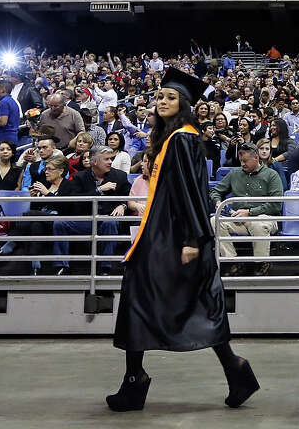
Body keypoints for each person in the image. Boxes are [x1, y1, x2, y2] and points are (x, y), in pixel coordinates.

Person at [110, 68, 259, 412]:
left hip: (175, 235)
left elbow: (191, 191)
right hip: (166, 231)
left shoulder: (183, 138)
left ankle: (138, 380)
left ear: (185, 104)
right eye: (160, 96)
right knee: (186, 301)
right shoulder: (173, 137)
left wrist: (192, 239)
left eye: (171, 97)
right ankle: (233, 370)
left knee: (168, 300)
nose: (162, 101)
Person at [52, 146, 131, 276]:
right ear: (94, 161)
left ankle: (105, 267)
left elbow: (129, 196)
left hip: (108, 219)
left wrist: (123, 205)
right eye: (106, 159)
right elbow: (75, 199)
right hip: (86, 219)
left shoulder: (120, 176)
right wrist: (99, 190)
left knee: (110, 223)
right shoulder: (79, 177)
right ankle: (62, 266)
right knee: (59, 223)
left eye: (111, 159)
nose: (110, 162)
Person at [210, 142, 284, 277]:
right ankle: (232, 262)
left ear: (256, 158)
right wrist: (218, 201)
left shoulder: (272, 175)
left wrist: (250, 212)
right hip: (239, 218)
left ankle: (261, 263)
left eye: (245, 161)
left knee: (258, 224)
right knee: (215, 221)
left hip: (264, 217)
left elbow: (276, 205)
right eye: (241, 161)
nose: (242, 164)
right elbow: (215, 191)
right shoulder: (235, 173)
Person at [0, 79, 20, 145]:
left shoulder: (4, 102)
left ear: (3, 89)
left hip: (4, 137)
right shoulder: (11, 101)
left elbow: (3, 122)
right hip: (12, 137)